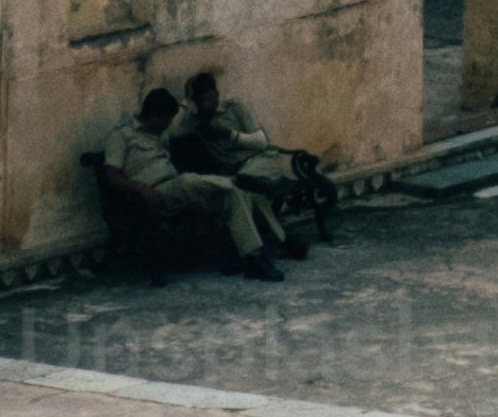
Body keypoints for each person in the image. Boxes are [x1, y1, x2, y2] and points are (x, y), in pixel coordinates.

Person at [96, 83, 284, 280]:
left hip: (182, 192)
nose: (169, 125)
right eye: (166, 120)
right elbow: (112, 175)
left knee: (235, 196)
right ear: (154, 116)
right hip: (156, 194)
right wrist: (141, 189)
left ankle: (254, 259)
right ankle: (235, 180)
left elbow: (182, 120)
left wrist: (186, 98)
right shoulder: (121, 135)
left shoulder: (159, 130)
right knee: (188, 180)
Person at [175, 65, 332, 253]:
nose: (206, 105)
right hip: (237, 173)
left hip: (262, 161)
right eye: (200, 101)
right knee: (250, 192)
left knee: (244, 184)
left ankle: (250, 185)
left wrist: (229, 134)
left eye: (209, 99)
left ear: (217, 94)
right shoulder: (195, 121)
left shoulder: (236, 107)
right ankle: (284, 240)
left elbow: (261, 142)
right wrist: (186, 101)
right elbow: (172, 131)